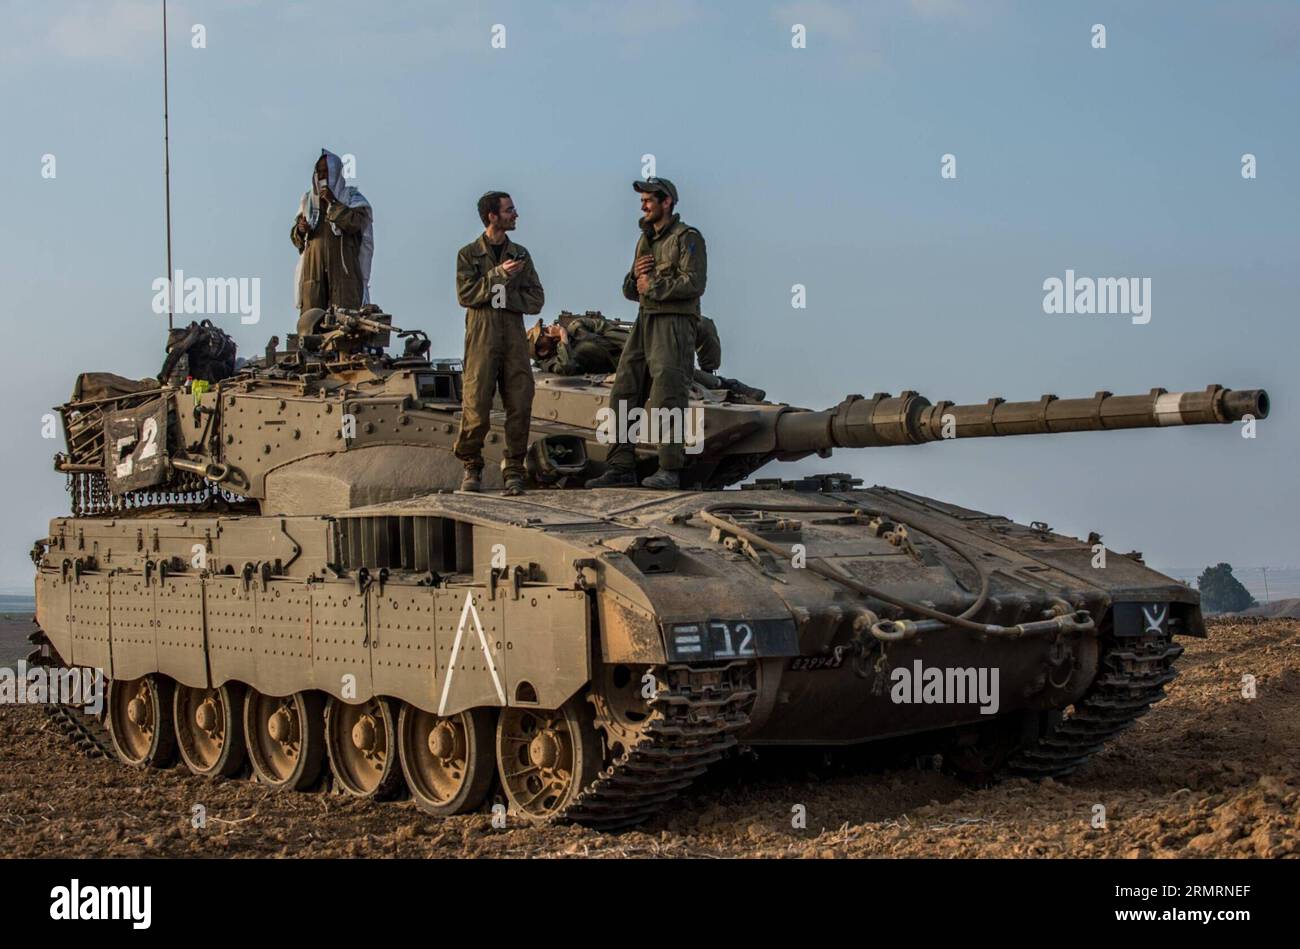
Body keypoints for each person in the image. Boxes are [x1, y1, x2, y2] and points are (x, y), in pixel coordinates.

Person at [452, 191, 545, 495]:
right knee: (476, 405)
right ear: (492, 216)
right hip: (482, 336)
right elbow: (466, 296)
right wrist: (497, 277)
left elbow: (536, 300)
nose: (515, 214)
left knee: (519, 403)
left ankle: (514, 469)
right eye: (509, 210)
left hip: (514, 337)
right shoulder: (468, 255)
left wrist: (503, 299)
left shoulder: (521, 254)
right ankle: (471, 465)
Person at [528, 314, 765, 401]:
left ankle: (714, 374)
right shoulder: (552, 361)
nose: (549, 327)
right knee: (671, 371)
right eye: (544, 332)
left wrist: (644, 345)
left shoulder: (578, 325)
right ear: (541, 348)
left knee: (702, 324)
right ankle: (729, 388)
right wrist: (564, 341)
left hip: (635, 347)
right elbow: (568, 367)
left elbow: (611, 333)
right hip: (626, 366)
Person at [291, 149, 374, 312]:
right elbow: (296, 238)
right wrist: (301, 230)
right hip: (313, 277)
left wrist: (333, 202)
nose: (321, 177)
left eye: (326, 172)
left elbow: (355, 223)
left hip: (344, 277)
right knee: (312, 322)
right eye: (319, 172)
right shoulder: (307, 202)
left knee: (346, 322)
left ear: (335, 173)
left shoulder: (352, 198)